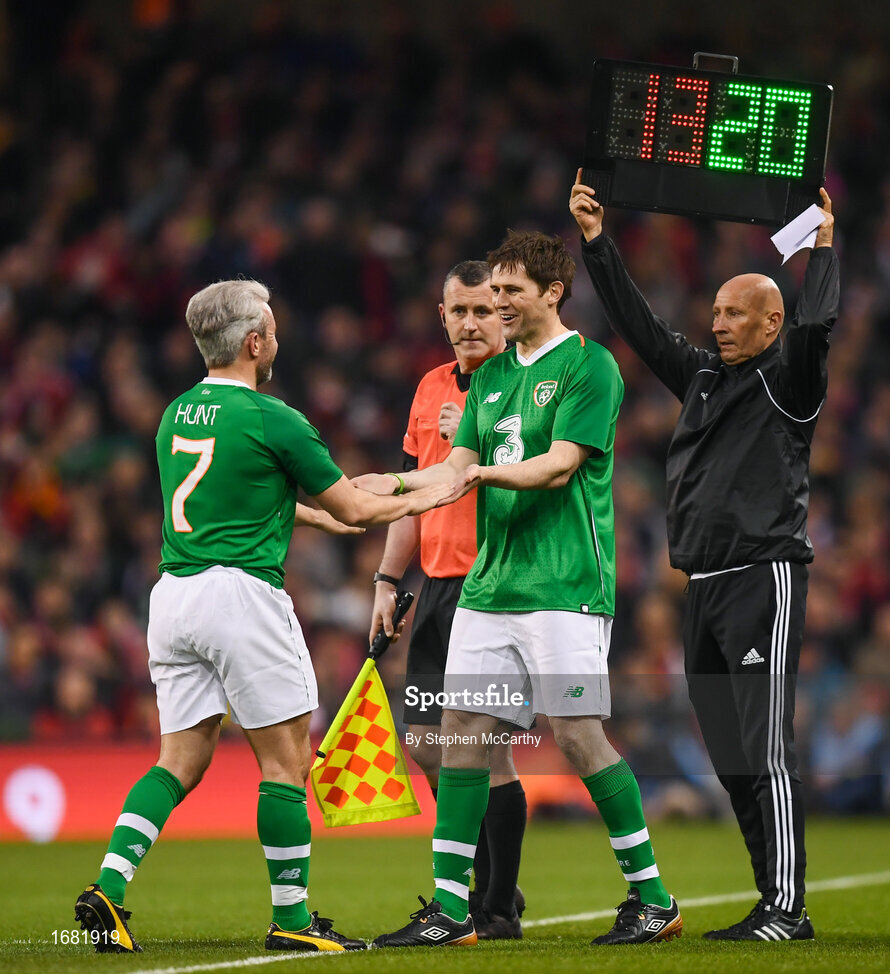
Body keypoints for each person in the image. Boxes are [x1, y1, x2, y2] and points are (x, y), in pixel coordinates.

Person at [73, 279, 452, 954]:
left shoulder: (175, 415)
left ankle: (110, 885)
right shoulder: (275, 418)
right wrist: (440, 484)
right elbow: (359, 510)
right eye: (271, 330)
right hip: (241, 598)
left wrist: (302, 514)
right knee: (285, 764)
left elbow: (233, 499)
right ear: (253, 343)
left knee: (179, 762)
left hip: (175, 596)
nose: (277, 339)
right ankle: (292, 921)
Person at [361, 230, 682, 948]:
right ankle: (452, 911)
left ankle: (652, 896)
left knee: (575, 735)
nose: (497, 303)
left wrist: (473, 476)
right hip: (488, 588)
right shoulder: (492, 377)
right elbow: (451, 470)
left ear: (551, 293)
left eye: (509, 292)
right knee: (460, 737)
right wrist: (391, 488)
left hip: (564, 585)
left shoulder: (589, 367)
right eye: (491, 292)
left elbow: (560, 465)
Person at [570, 172, 838, 941]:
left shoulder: (790, 380)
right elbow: (642, 326)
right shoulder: (704, 381)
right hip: (706, 586)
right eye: (714, 310)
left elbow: (817, 326)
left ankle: (788, 907)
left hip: (763, 576)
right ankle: (768, 899)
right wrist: (596, 241)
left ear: (769, 323)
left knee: (764, 746)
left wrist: (823, 246)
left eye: (732, 313)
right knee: (728, 754)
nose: (715, 323)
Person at [371, 260, 527, 939]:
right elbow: (410, 497)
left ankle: (490, 906)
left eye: (482, 310)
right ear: (442, 316)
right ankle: (491, 891)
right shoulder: (429, 387)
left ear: (504, 313)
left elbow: (536, 480)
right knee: (430, 746)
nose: (469, 322)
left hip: (495, 585)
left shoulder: (522, 382)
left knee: (489, 752)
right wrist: (386, 581)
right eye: (458, 311)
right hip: (435, 586)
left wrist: (473, 429)